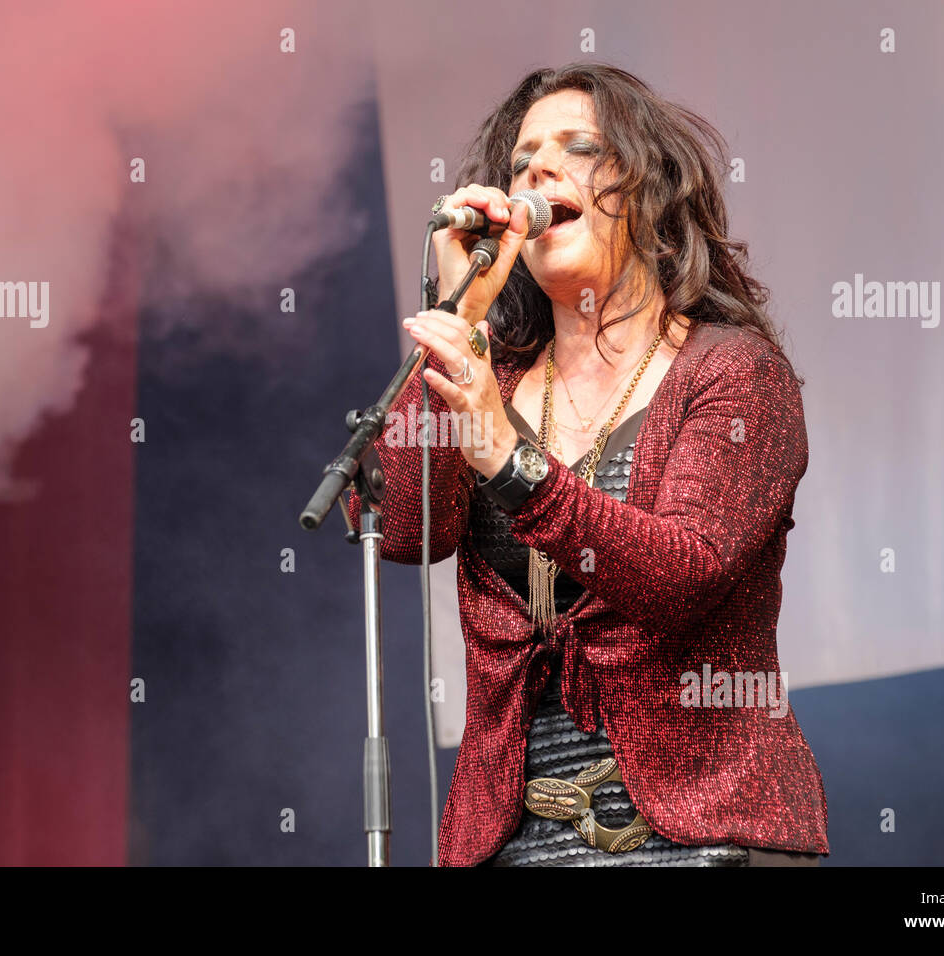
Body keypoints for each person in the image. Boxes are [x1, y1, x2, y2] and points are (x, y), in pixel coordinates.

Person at [349, 63, 828, 867]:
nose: (536, 170)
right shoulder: (488, 378)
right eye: (521, 159)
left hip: (701, 836)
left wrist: (505, 458)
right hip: (515, 838)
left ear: (647, 194)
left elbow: (685, 574)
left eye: (578, 148)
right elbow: (405, 530)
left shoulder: (733, 373)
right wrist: (455, 313)